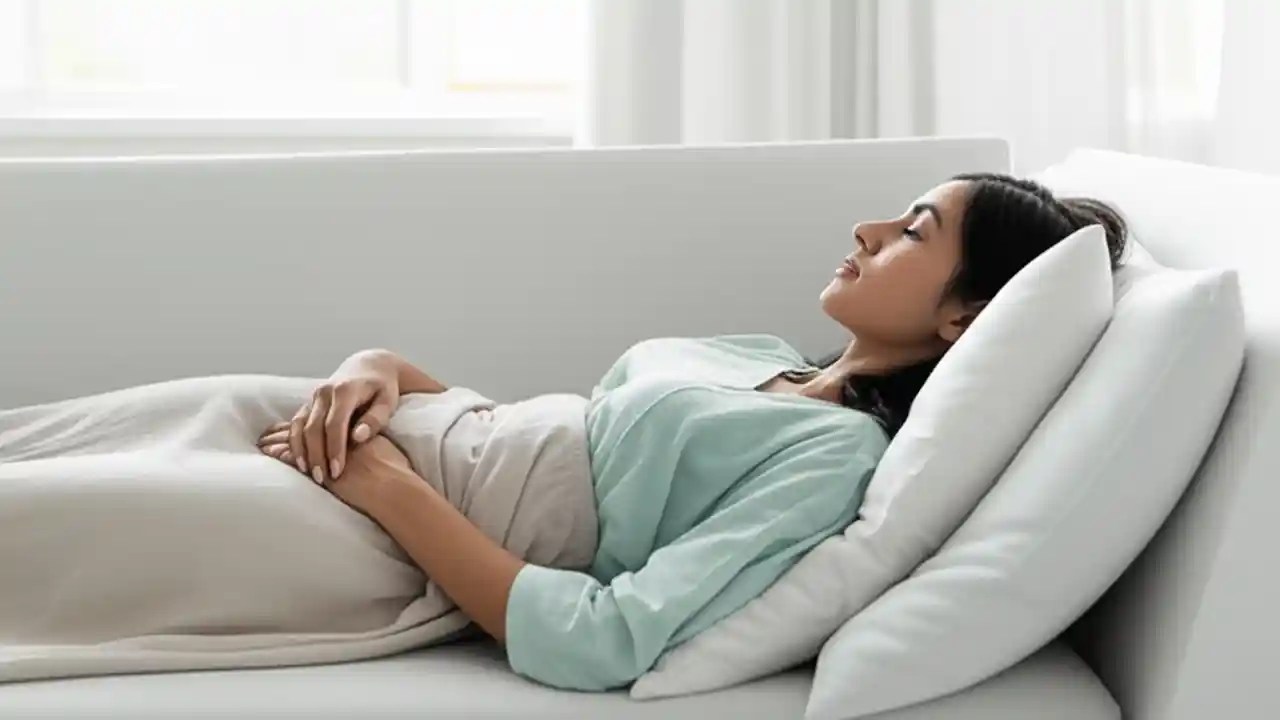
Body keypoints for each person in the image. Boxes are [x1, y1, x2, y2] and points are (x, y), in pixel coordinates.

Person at [253, 172, 1129, 691]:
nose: (867, 229)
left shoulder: (837, 458)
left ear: (964, 322)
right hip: (351, 429)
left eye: (912, 234)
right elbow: (540, 430)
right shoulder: (760, 358)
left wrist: (384, 485)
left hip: (378, 514)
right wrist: (381, 367)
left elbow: (607, 637)